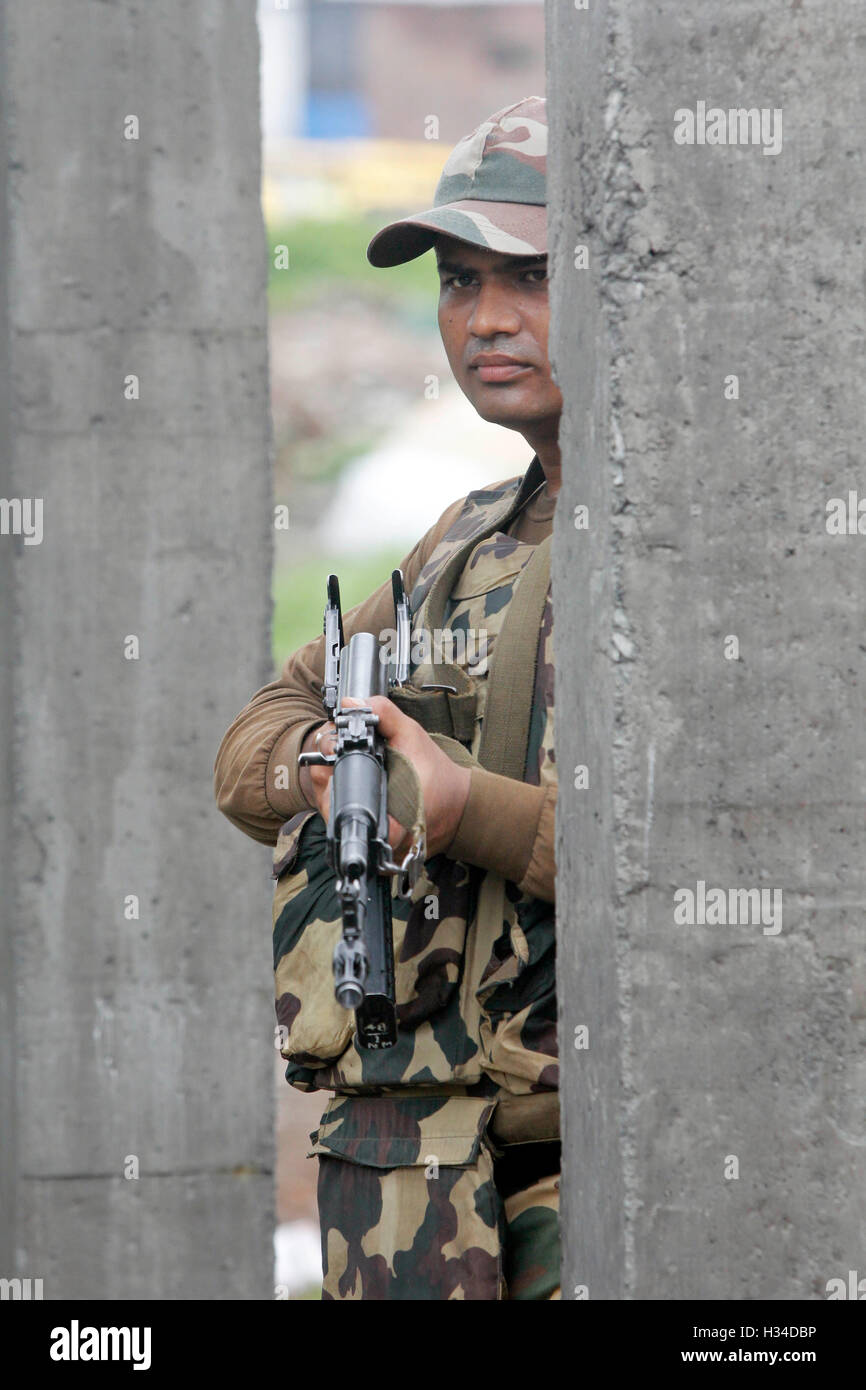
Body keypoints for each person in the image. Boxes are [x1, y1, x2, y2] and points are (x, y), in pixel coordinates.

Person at [214, 95, 563, 1300]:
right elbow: (251, 737)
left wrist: (470, 810)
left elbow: (732, 878)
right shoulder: (458, 546)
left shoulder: (699, 551)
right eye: (459, 282)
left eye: (530, 277)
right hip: (420, 1182)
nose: (485, 320)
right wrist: (328, 770)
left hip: (605, 1174)